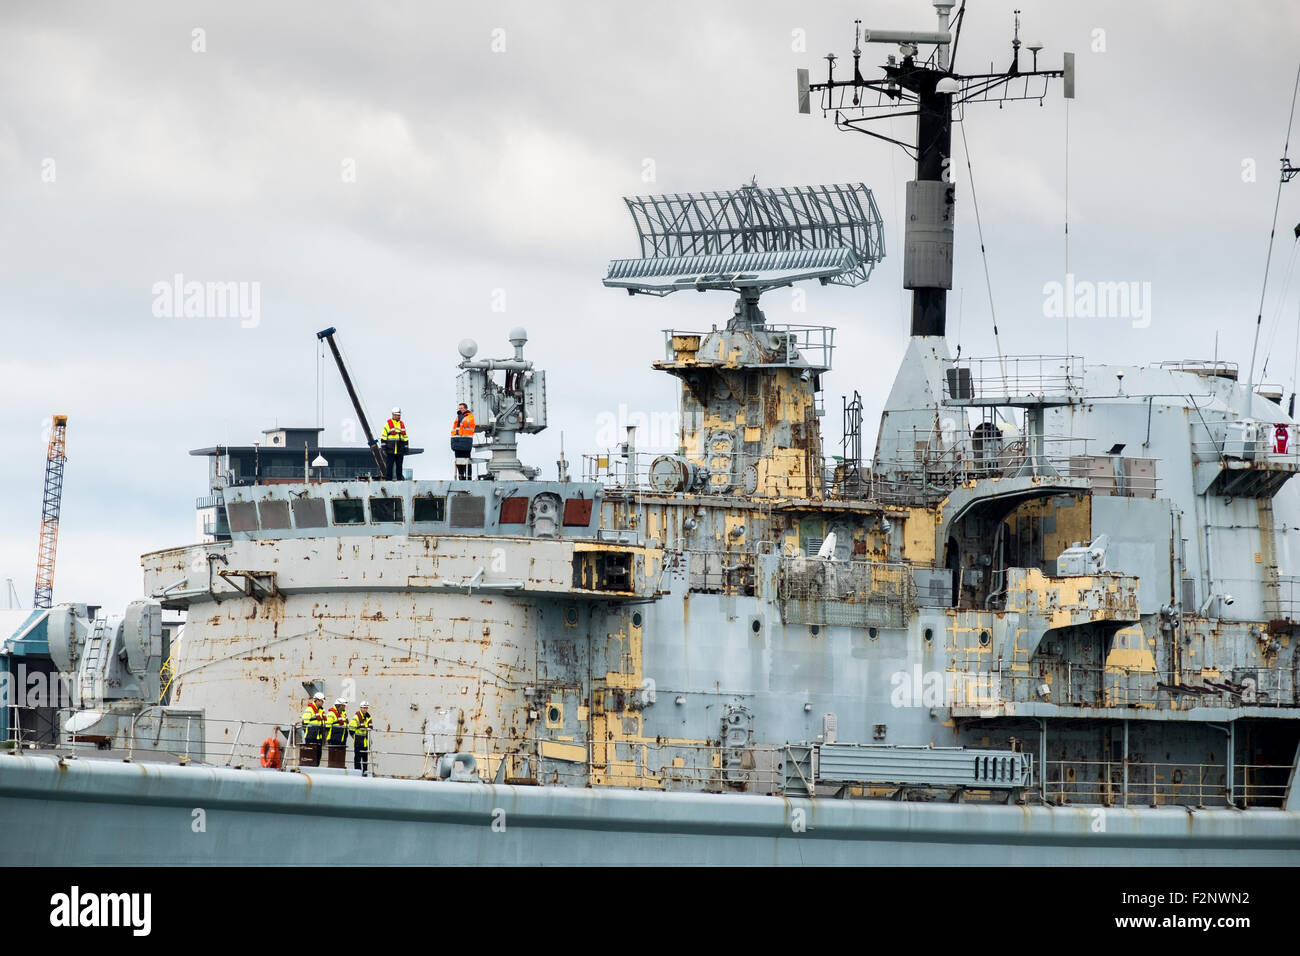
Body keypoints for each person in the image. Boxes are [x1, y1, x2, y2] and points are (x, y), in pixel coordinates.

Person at [381, 407, 409, 480]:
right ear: (393, 415)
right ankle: (388, 481)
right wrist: (384, 448)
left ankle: (399, 480)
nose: (399, 416)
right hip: (390, 450)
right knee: (389, 467)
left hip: (400, 450)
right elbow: (384, 437)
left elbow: (405, 437)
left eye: (399, 415)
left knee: (399, 466)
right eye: (397, 415)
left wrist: (406, 448)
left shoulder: (402, 424)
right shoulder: (388, 425)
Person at [300, 692, 327, 767]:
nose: (322, 703)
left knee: (318, 754)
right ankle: (309, 767)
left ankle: (316, 767)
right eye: (321, 701)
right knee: (310, 754)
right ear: (317, 700)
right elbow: (305, 721)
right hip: (311, 736)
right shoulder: (309, 709)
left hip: (319, 736)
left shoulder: (321, 710)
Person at [451, 402, 475, 479]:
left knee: (466, 460)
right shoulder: (458, 417)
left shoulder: (470, 417)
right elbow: (454, 429)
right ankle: (461, 477)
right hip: (457, 441)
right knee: (458, 460)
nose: (460, 410)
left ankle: (468, 477)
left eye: (461, 408)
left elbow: (465, 423)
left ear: (465, 409)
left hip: (465, 442)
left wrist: (461, 416)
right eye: (459, 408)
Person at [349, 701, 373, 775]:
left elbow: (370, 728)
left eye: (366, 708)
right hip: (359, 741)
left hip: (365, 741)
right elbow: (351, 730)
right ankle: (357, 772)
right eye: (364, 708)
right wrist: (356, 738)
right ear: (361, 708)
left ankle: (365, 772)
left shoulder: (368, 717)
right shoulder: (356, 717)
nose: (365, 709)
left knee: (365, 758)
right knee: (358, 758)